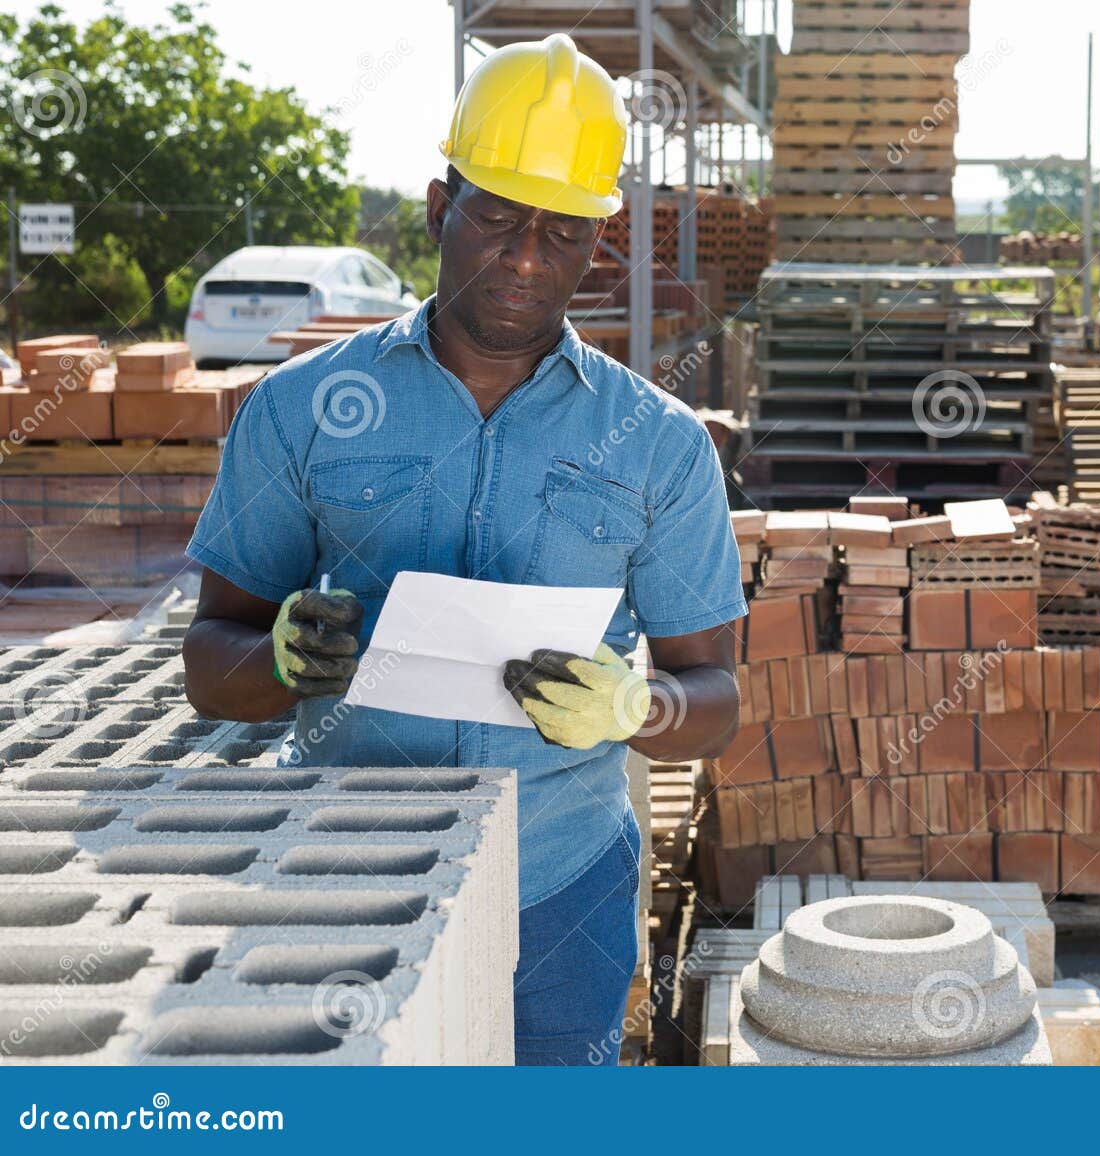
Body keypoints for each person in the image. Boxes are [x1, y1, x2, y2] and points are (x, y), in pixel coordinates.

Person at [181, 34, 746, 1065]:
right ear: (442, 208)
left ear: (597, 243)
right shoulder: (301, 411)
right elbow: (210, 659)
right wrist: (273, 660)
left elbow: (715, 696)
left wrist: (637, 705)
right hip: (347, 881)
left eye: (563, 231)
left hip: (559, 891)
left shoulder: (658, 443)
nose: (526, 258)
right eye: (496, 218)